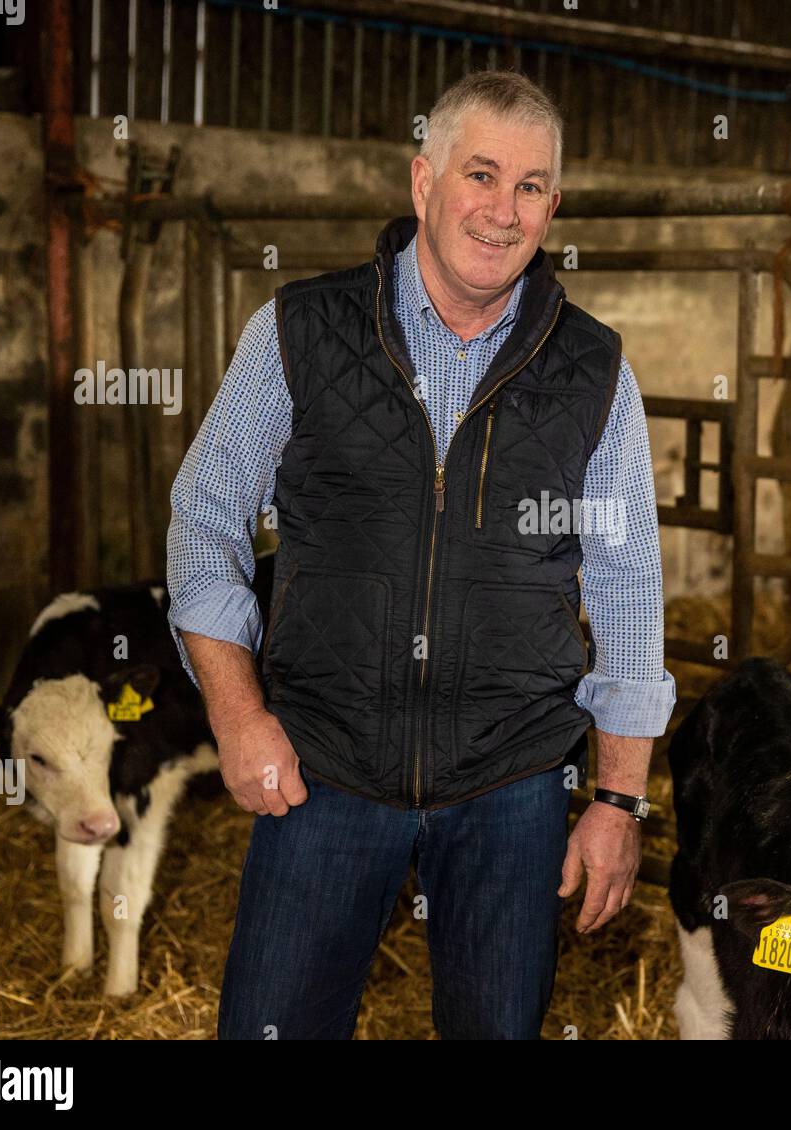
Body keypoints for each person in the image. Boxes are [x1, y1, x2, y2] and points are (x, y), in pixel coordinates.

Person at [167, 69, 675, 1040]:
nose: (503, 209)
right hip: (320, 764)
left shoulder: (595, 371)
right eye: (481, 174)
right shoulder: (299, 331)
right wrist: (237, 716)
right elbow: (204, 517)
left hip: (512, 779)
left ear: (553, 207)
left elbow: (626, 587)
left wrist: (619, 799)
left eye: (531, 186)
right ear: (422, 181)